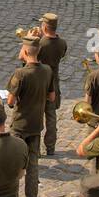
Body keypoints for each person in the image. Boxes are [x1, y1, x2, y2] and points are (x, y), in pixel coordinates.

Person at [5, 34, 53, 197]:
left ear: (25, 51)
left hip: (19, 126)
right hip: (36, 125)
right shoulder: (47, 70)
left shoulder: (20, 74)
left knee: (14, 166)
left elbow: (10, 101)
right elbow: (52, 96)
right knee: (33, 166)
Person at [36, 13, 68, 155]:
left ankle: (35, 148)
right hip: (54, 83)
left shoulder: (40, 44)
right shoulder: (62, 43)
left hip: (39, 84)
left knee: (36, 116)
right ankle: (50, 147)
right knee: (51, 117)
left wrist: (35, 39)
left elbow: (30, 60)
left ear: (44, 26)